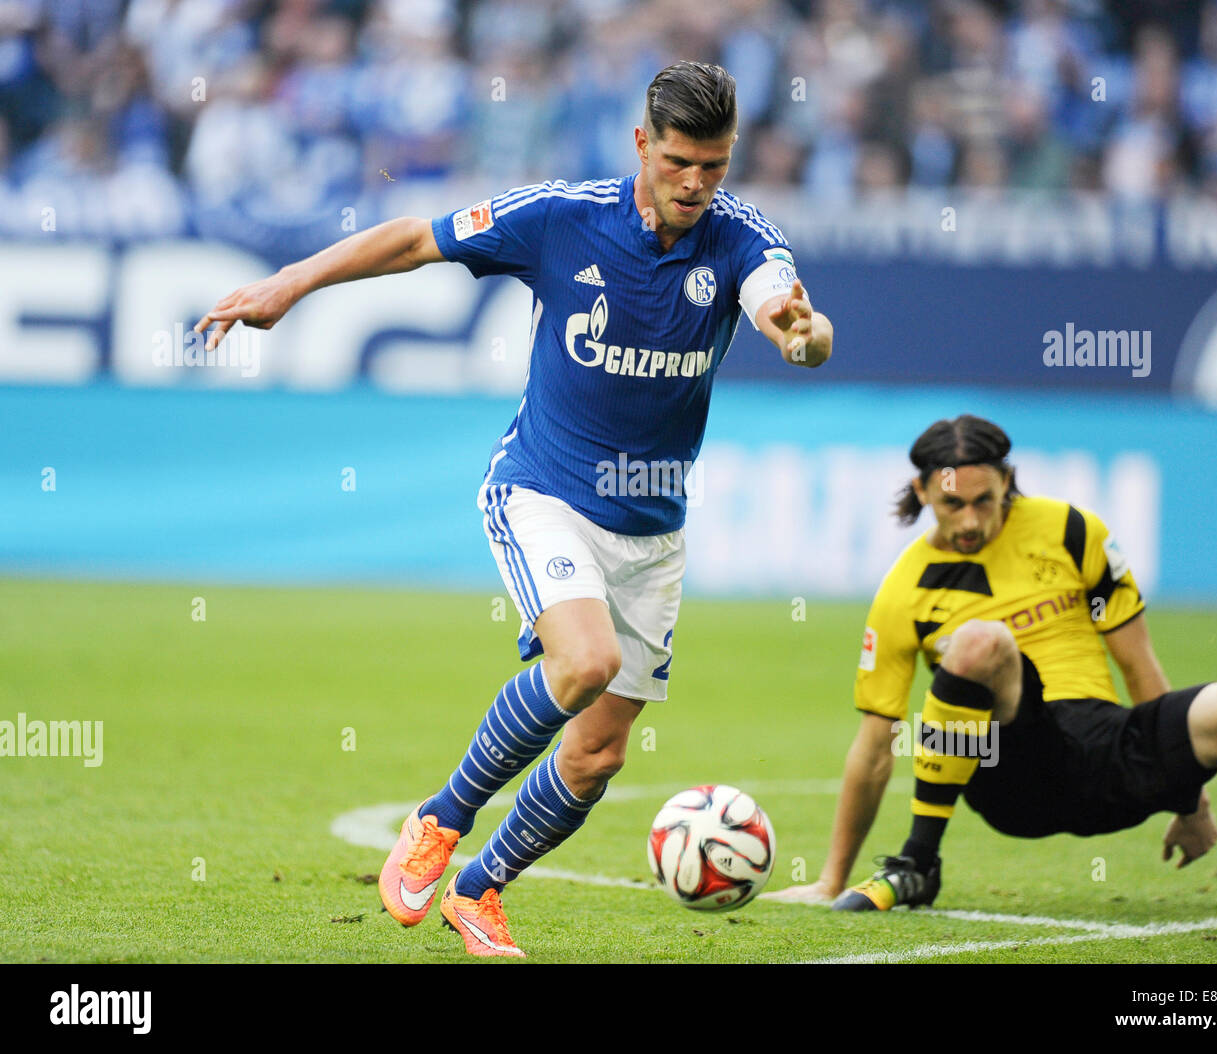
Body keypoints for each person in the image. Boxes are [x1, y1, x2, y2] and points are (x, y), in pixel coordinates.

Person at [195, 61, 833, 957]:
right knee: (585, 661)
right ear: (642, 144)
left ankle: (479, 889)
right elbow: (414, 239)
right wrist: (290, 283)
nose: (696, 183)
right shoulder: (560, 217)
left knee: (598, 754)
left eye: (715, 166)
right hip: (544, 490)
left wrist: (803, 336)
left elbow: (790, 314)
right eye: (680, 162)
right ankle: (439, 819)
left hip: (653, 531)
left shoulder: (741, 239)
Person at [766, 415, 1217, 914]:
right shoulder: (904, 591)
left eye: (984, 500)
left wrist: (1189, 799)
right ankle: (919, 863)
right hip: (1011, 774)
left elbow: (1139, 667)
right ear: (922, 491)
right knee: (980, 641)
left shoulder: (1072, 531)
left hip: (1106, 753)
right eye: (953, 503)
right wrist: (831, 881)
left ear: (1007, 480)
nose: (970, 519)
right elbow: (875, 746)